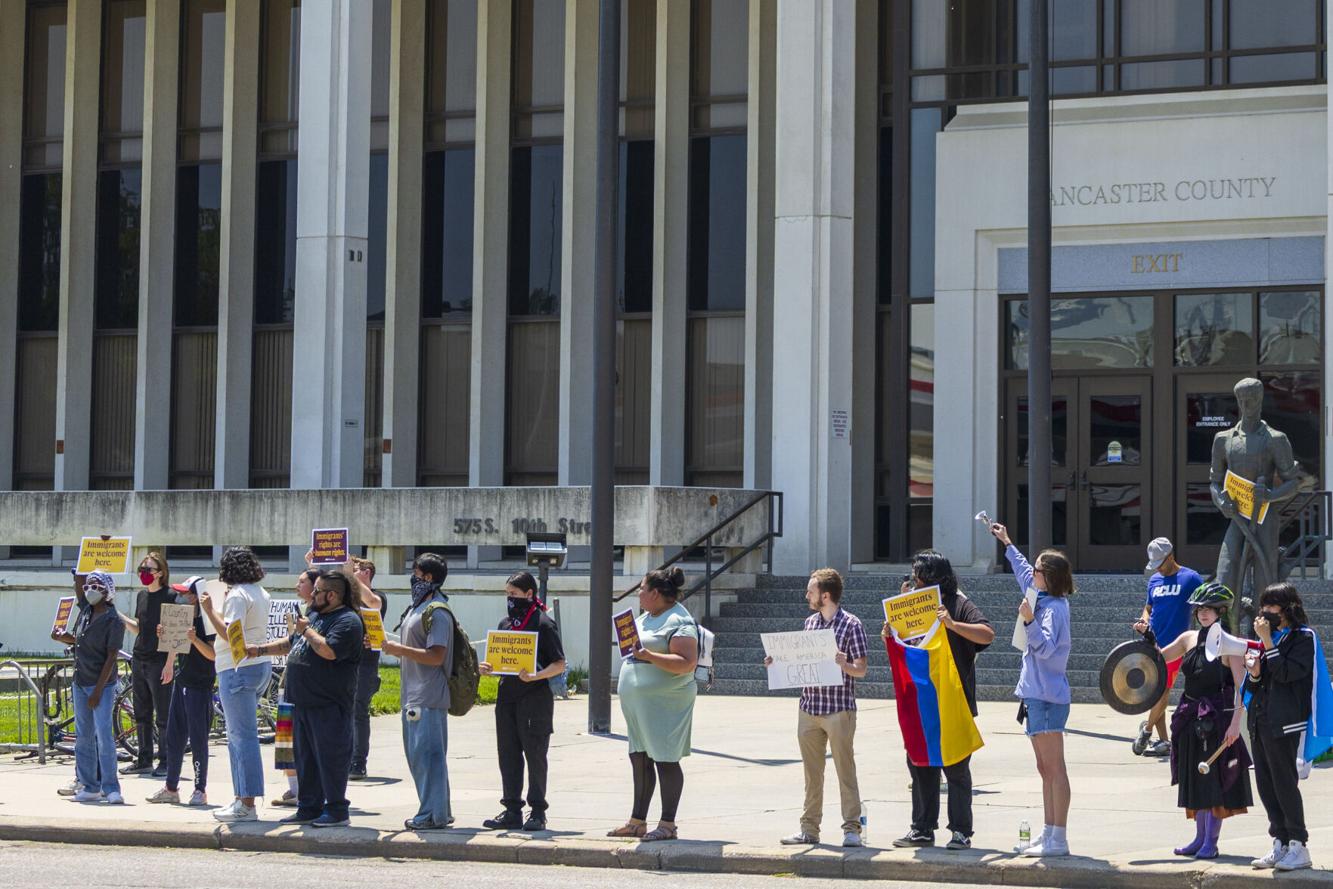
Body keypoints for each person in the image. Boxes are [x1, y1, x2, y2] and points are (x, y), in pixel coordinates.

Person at [890, 552, 994, 851]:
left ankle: (960, 831)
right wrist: (892, 632)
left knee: (956, 767)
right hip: (922, 701)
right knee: (920, 764)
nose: (914, 583)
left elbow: (987, 634)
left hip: (954, 701)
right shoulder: (912, 606)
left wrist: (952, 624)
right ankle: (922, 828)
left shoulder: (959, 604)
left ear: (933, 579)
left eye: (918, 578)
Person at [248, 569, 365, 827]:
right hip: (301, 702)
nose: (312, 595)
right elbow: (291, 643)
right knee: (305, 759)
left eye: (317, 591)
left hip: (328, 705)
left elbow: (329, 651)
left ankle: (337, 810)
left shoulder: (348, 621)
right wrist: (258, 650)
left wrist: (307, 630)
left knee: (330, 759)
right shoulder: (314, 615)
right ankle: (308, 807)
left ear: (332, 595)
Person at [767, 568, 868, 848]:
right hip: (809, 707)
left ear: (825, 596)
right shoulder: (810, 624)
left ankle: (851, 829)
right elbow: (800, 662)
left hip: (838, 708)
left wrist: (844, 664)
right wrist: (777, 663)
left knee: (845, 771)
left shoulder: (851, 625)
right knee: (812, 774)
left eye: (811, 591)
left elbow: (861, 669)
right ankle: (809, 829)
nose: (806, 595)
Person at [990, 522, 1073, 857]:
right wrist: (1007, 542)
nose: (1033, 573)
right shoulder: (1039, 596)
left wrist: (1028, 620)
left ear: (1048, 577)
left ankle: (1059, 838)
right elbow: (1024, 572)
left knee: (1055, 769)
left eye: (1039, 570)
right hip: (1036, 695)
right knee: (1044, 769)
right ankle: (1049, 832)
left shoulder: (1054, 609)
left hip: (1049, 697)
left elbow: (1047, 649)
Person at [1156, 582, 1252, 859]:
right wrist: (1148, 638)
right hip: (1190, 715)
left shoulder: (1230, 644)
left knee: (1214, 781)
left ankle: (1211, 841)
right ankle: (1199, 838)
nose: (1203, 613)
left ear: (1221, 611)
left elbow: (1241, 687)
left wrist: (1235, 725)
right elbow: (1159, 658)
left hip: (1218, 719)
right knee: (1195, 777)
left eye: (1209, 609)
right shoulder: (1188, 638)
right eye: (1200, 609)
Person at [607, 567, 699, 843]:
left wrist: (649, 656)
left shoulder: (679, 620)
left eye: (642, 589)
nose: (638, 593)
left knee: (665, 759)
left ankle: (668, 824)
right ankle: (637, 822)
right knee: (640, 758)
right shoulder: (646, 617)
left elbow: (687, 663)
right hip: (640, 705)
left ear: (656, 593)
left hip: (666, 704)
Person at [478, 571, 567, 832]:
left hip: (535, 699)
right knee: (508, 754)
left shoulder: (543, 623)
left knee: (535, 755)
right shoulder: (506, 624)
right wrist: (488, 668)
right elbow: (501, 661)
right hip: (507, 698)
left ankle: (537, 811)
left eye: (514, 594)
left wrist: (536, 675)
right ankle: (511, 809)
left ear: (529, 594)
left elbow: (559, 663)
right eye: (507, 594)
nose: (510, 598)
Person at [1244, 583, 1315, 872]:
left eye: (1271, 606)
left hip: (1285, 721)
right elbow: (1257, 683)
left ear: (1287, 608)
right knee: (1266, 784)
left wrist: (1267, 643)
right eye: (1263, 606)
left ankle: (1299, 844)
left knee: (1284, 783)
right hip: (1261, 719)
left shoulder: (1303, 638)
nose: (1265, 612)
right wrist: (1254, 672)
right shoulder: (1269, 638)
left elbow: (1286, 673)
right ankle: (1280, 841)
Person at [201, 546, 273, 823]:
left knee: (241, 737)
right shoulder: (260, 592)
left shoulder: (237, 595)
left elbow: (230, 635)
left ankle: (246, 802)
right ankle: (243, 798)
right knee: (241, 735)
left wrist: (210, 610)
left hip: (237, 668)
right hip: (258, 667)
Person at [385, 552, 454, 831]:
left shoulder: (437, 611)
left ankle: (431, 815)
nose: (413, 579)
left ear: (428, 577)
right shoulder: (418, 607)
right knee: (420, 756)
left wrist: (398, 650)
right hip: (413, 694)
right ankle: (439, 811)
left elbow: (436, 656)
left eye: (415, 573)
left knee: (428, 757)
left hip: (428, 695)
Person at [51, 571, 125, 804]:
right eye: (87, 586)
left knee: (103, 736)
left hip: (101, 684)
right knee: (83, 737)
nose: (89, 590)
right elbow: (81, 640)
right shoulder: (85, 612)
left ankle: (111, 788)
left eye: (95, 586)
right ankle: (89, 786)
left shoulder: (114, 620)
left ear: (106, 591)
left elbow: (111, 657)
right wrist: (64, 637)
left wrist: (97, 691)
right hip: (80, 681)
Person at [147, 575, 217, 806]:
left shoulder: (208, 622)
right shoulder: (182, 616)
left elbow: (213, 655)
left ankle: (200, 789)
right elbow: (175, 645)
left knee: (198, 740)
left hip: (200, 685)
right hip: (183, 681)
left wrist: (194, 640)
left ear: (195, 597)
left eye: (184, 593)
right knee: (174, 737)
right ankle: (171, 787)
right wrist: (166, 637)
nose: (179, 597)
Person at [1132, 537, 1204, 757]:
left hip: (1176, 645)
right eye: (1154, 565)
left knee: (1163, 690)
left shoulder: (1191, 578)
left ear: (1171, 556)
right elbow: (1148, 607)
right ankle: (1164, 741)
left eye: (1160, 564)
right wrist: (1144, 620)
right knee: (1154, 691)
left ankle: (1147, 730)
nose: (1158, 569)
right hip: (1151, 642)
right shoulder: (1154, 580)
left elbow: (1205, 606)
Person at [119, 551, 175, 777]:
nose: (143, 573)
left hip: (159, 661)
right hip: (140, 658)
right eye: (141, 569)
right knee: (141, 713)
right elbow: (140, 628)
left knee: (163, 715)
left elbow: (176, 634)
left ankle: (166, 761)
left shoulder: (170, 596)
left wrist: (170, 664)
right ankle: (144, 759)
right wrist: (121, 617)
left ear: (160, 573)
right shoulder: (142, 596)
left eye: (148, 569)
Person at [272, 567, 319, 808]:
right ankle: (295, 789)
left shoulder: (318, 618)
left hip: (304, 690)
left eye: (302, 582)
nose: (297, 586)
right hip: (288, 683)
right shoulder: (305, 613)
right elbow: (290, 644)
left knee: (296, 741)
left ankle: (303, 791)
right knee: (285, 739)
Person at [349, 556, 386, 781]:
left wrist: (349, 576)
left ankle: (358, 762)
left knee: (358, 710)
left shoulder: (378, 596)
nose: (350, 572)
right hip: (345, 663)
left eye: (354, 570)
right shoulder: (349, 598)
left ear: (366, 573)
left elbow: (373, 602)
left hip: (365, 665)